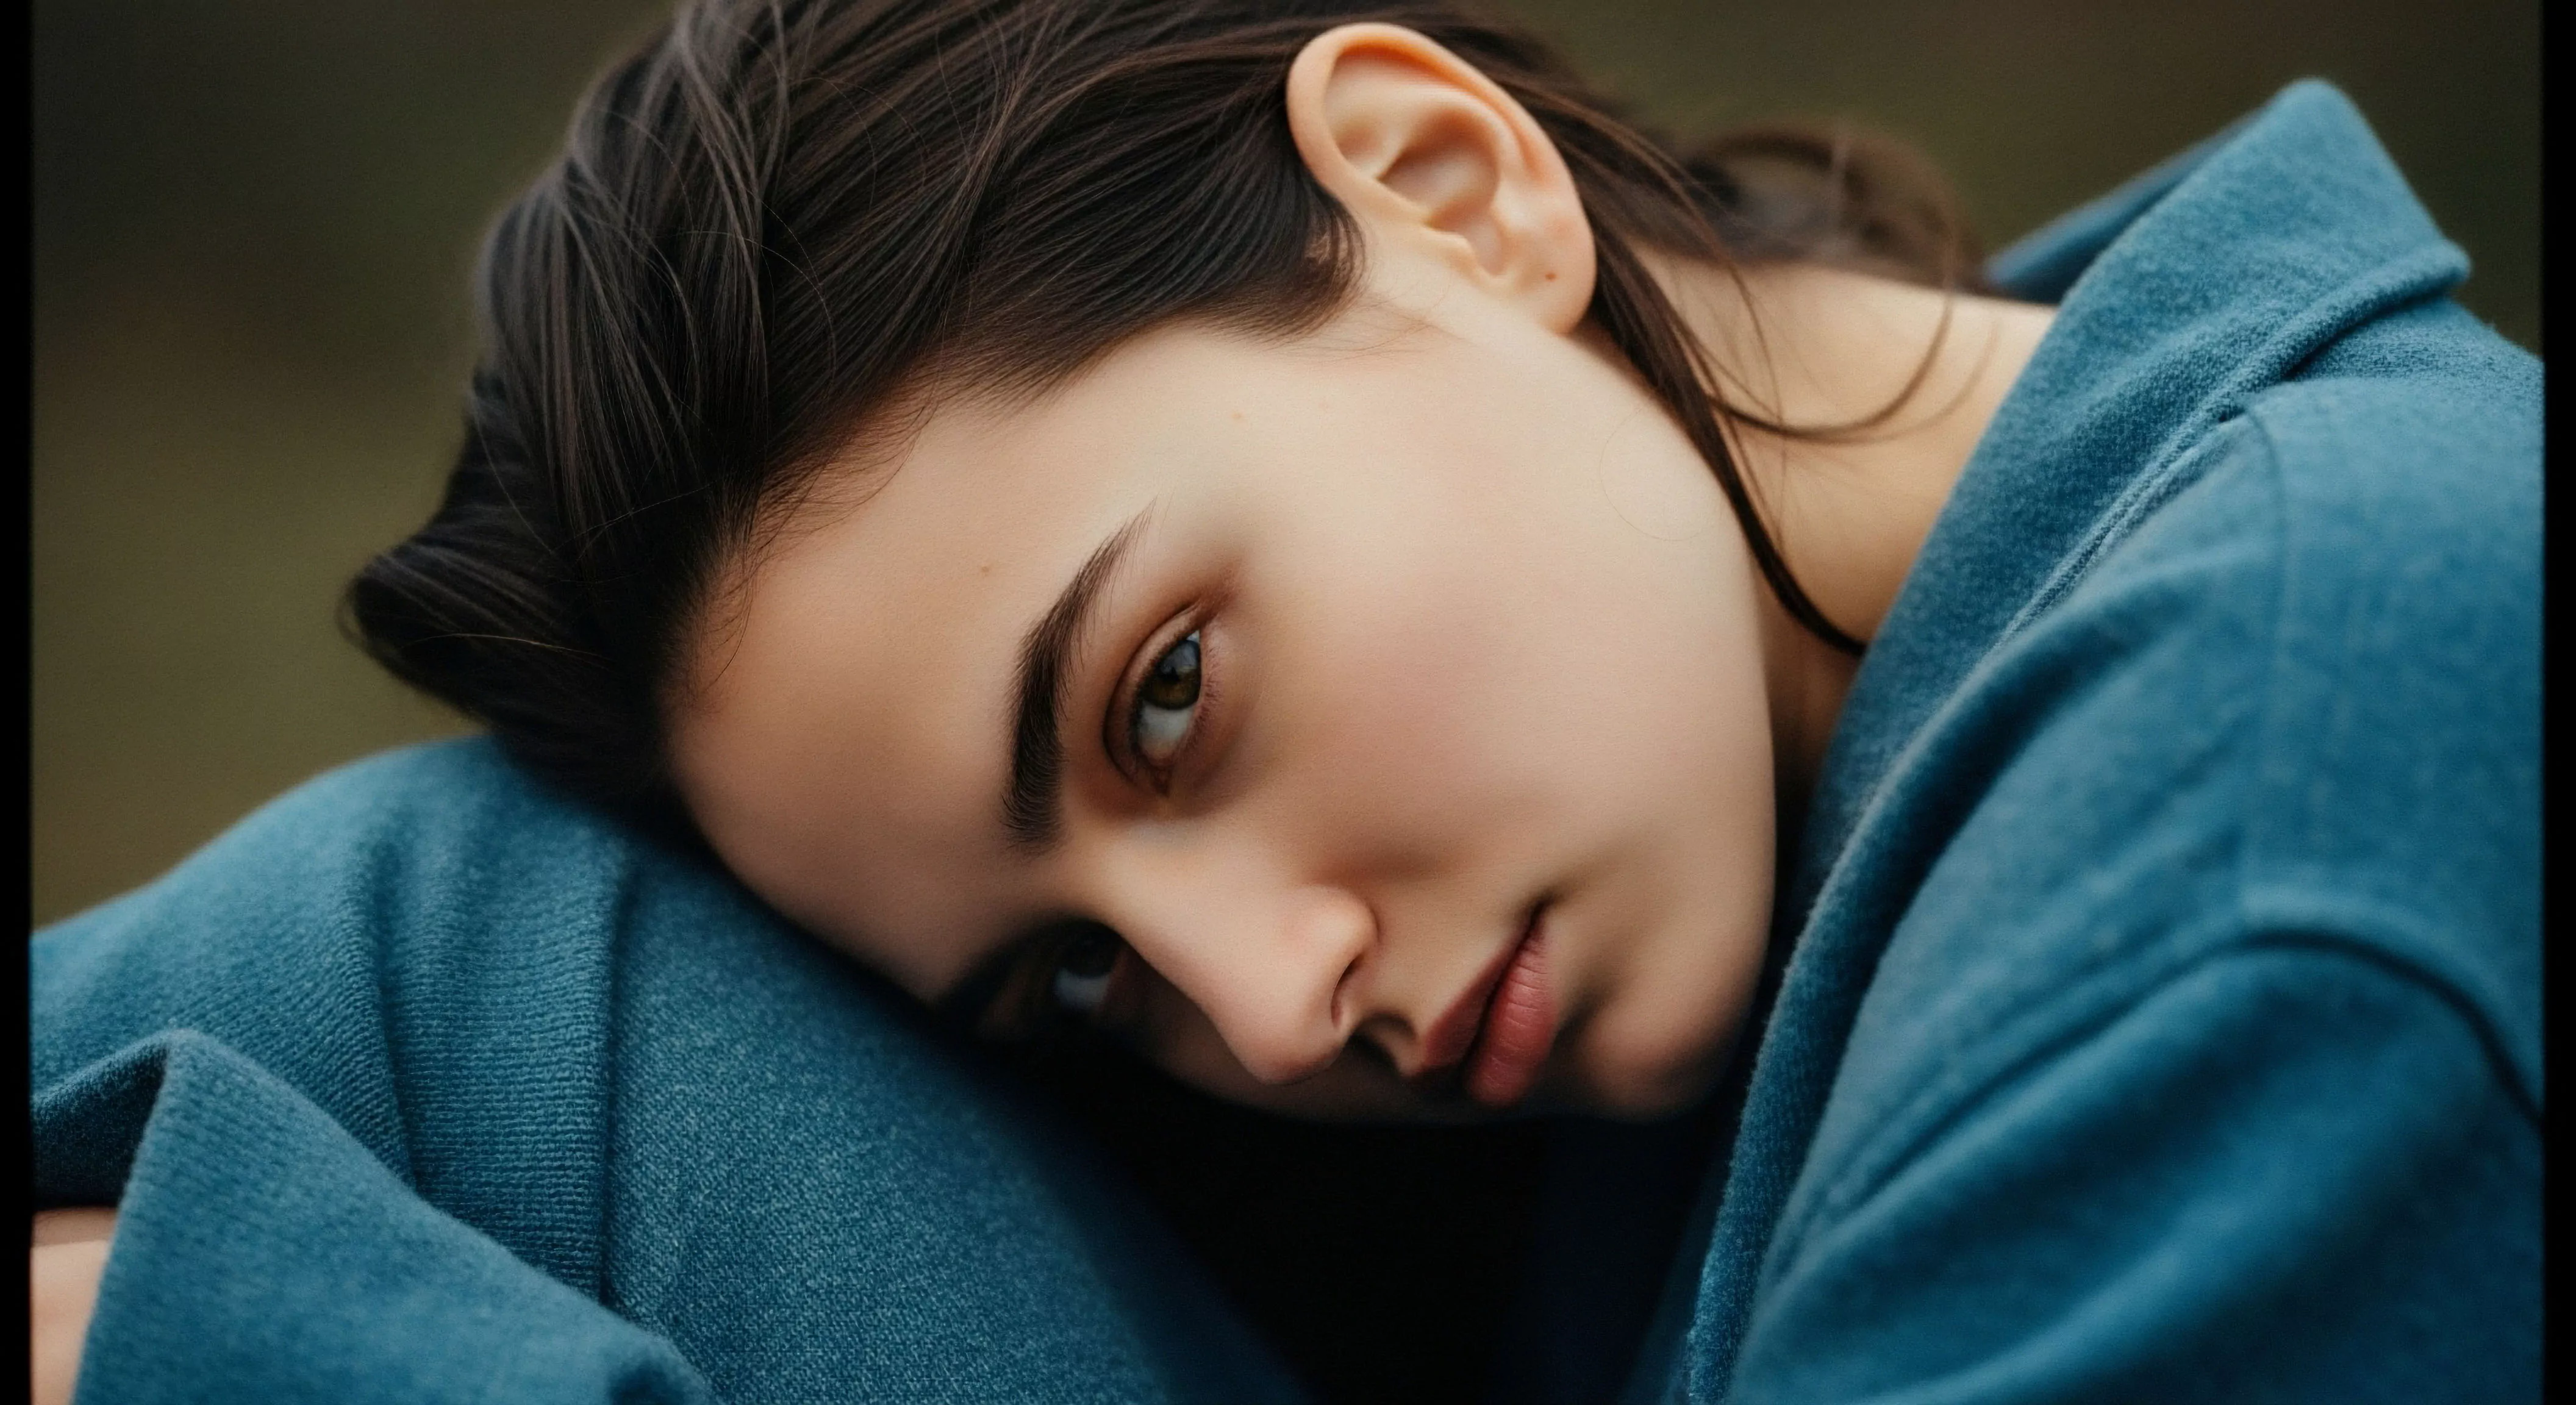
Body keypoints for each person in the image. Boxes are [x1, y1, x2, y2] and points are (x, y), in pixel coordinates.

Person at [32, 0, 2539, 1400]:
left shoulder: (2270, 845)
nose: (1264, 997)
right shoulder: (1815, 746)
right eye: (1074, 981)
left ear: (1449, 195)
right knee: (494, 927)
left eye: (1167, 700)